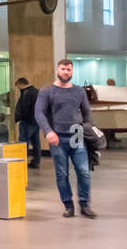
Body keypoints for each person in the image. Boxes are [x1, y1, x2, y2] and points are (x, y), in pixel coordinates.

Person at [35, 58, 96, 219]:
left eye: (69, 70)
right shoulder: (46, 91)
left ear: (72, 71)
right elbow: (39, 113)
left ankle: (84, 204)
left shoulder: (79, 91)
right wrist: (48, 131)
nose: (66, 72)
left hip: (77, 136)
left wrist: (88, 127)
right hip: (57, 138)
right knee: (62, 174)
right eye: (63, 69)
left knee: (84, 172)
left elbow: (87, 112)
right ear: (57, 70)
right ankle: (68, 205)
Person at [13, 77, 41, 170]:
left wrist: (15, 119)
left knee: (23, 143)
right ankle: (36, 161)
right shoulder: (36, 91)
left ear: (21, 84)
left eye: (18, 87)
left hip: (27, 122)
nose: (18, 89)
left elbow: (23, 109)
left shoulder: (27, 93)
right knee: (36, 142)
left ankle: (22, 161)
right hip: (36, 121)